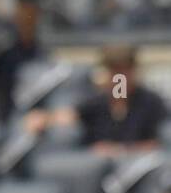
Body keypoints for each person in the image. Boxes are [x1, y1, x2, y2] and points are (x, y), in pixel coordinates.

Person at [25, 44, 168, 156]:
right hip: (97, 172)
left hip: (136, 168)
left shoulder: (151, 102)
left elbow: (159, 143)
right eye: (115, 71)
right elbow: (69, 115)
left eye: (124, 70)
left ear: (133, 70)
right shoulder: (97, 102)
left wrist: (118, 150)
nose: (120, 78)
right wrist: (44, 118)